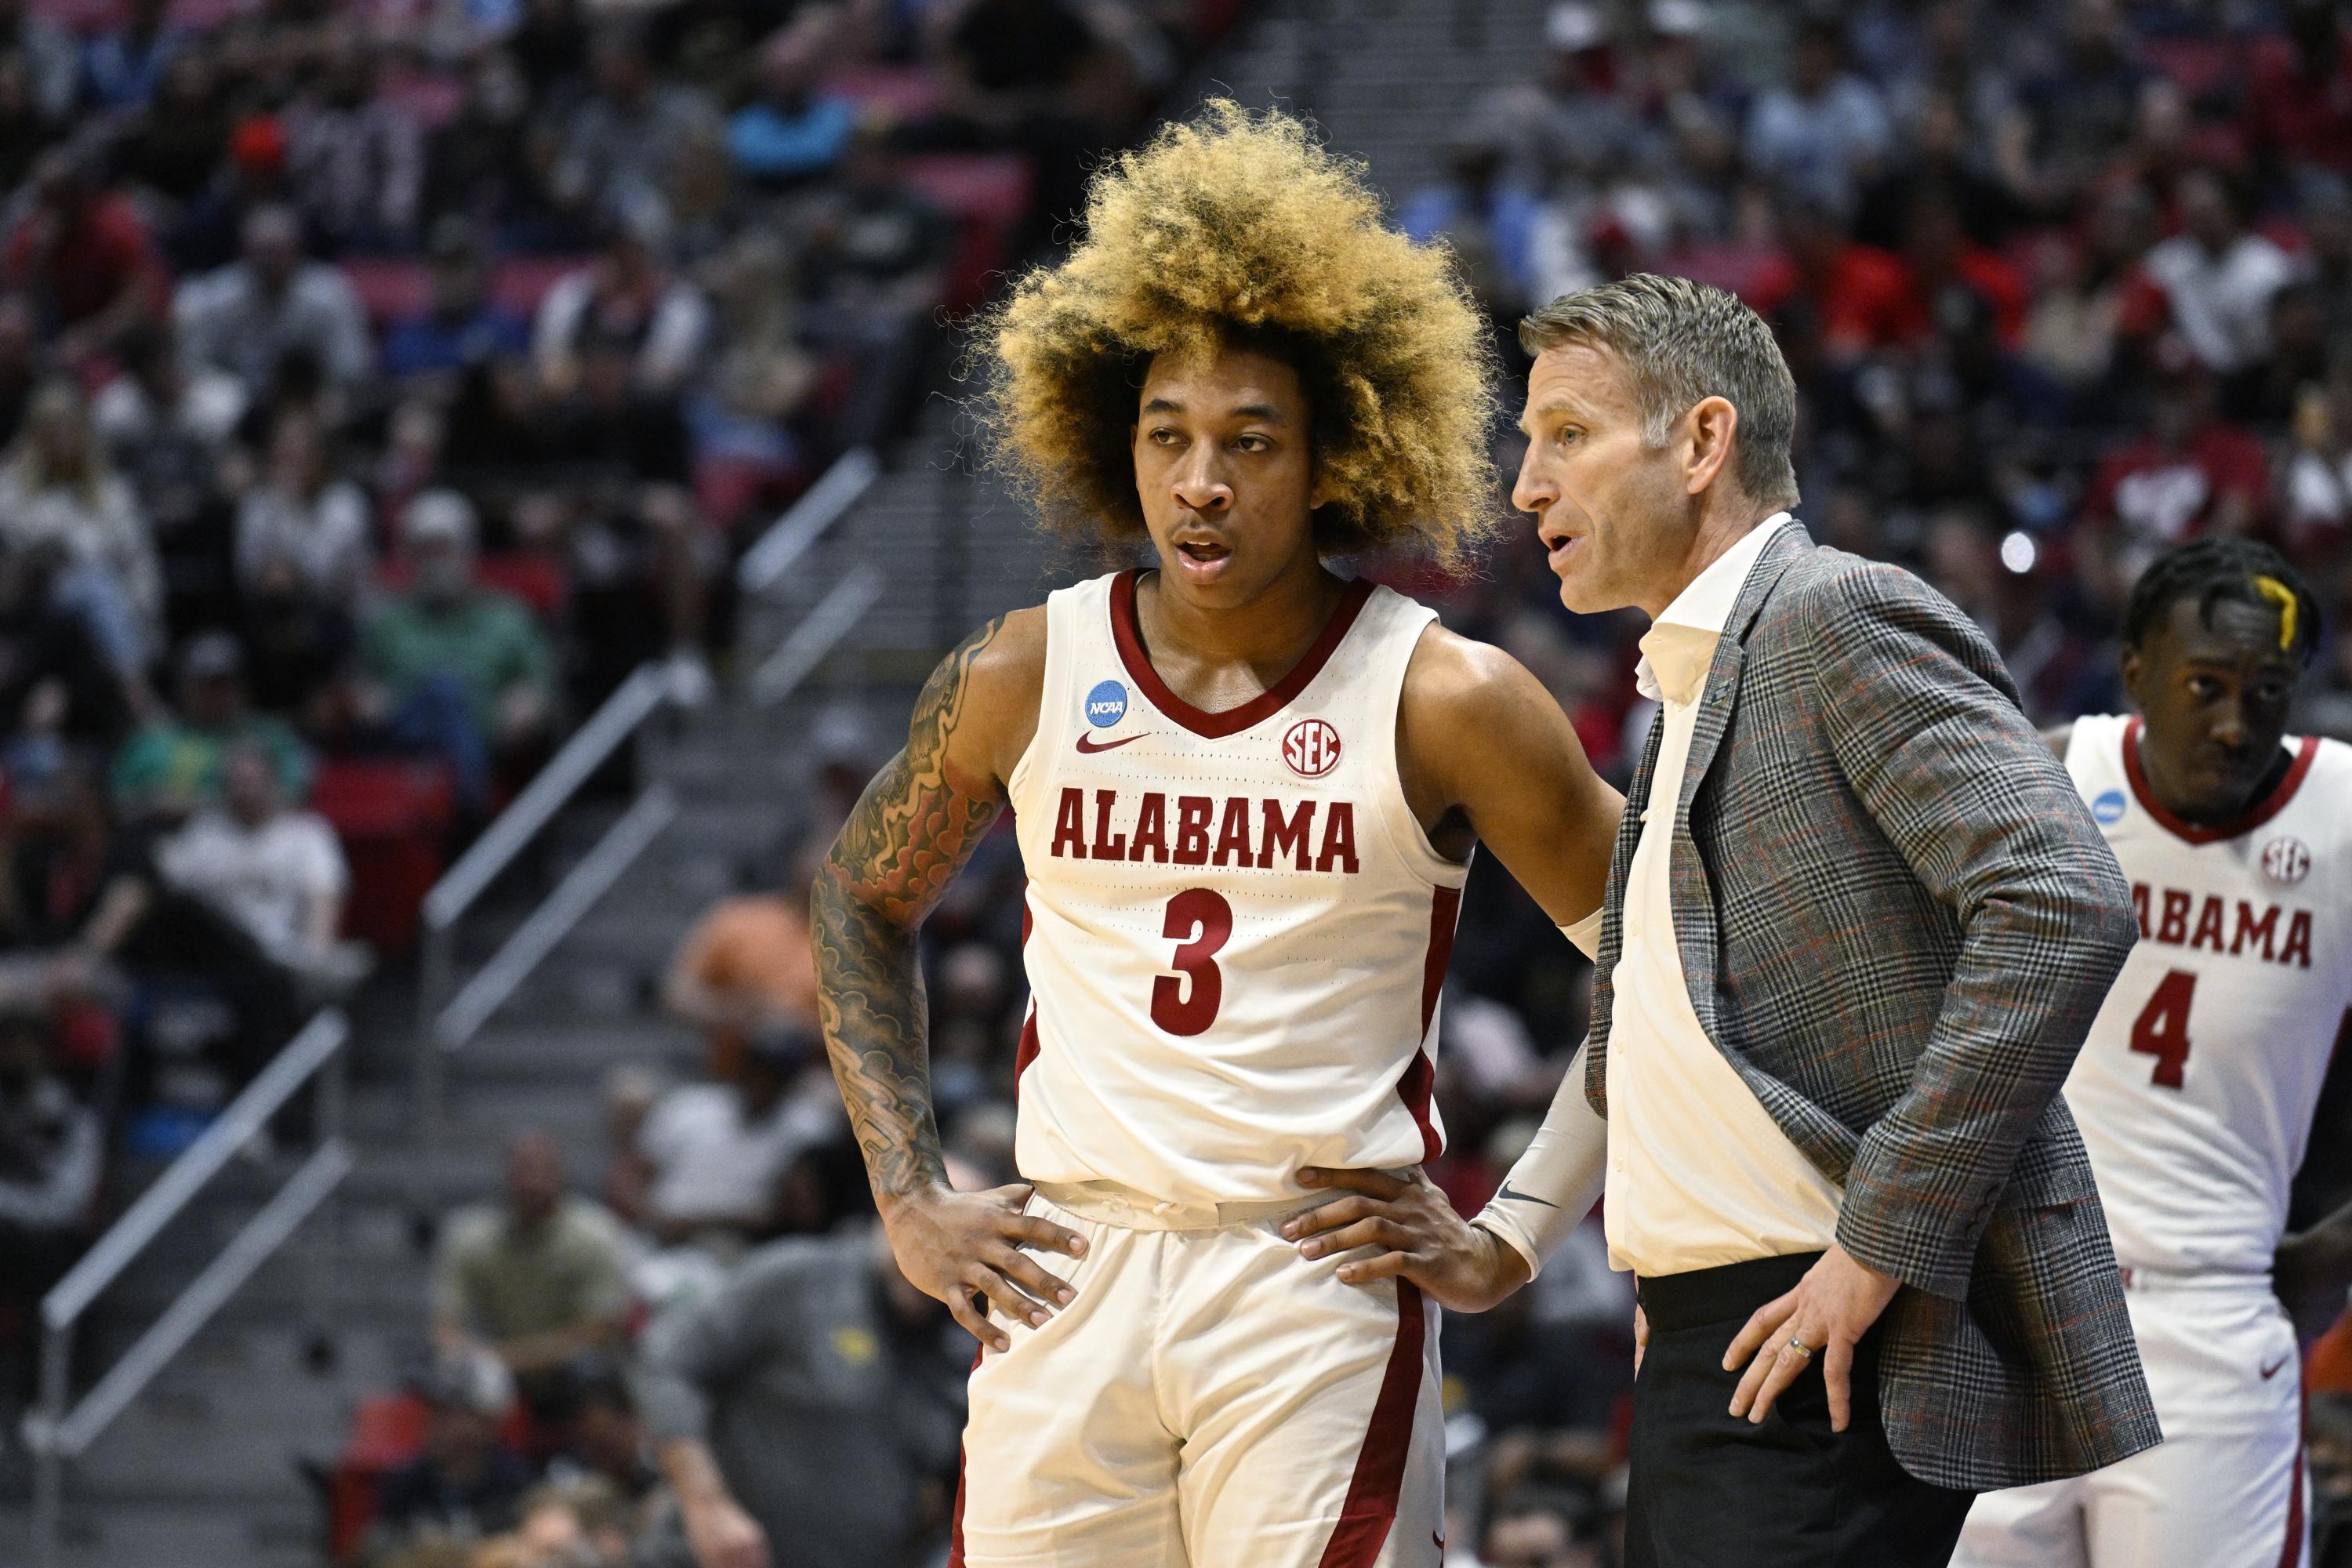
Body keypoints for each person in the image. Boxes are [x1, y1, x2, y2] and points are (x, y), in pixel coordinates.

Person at [810, 104, 1622, 1566]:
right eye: (1168, 437)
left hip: (1310, 1282)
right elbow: (860, 902)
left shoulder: (1448, 697)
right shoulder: (1023, 670)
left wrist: (1515, 1230)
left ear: (1334, 458)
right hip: (1066, 1271)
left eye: (1251, 443)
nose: (1202, 482)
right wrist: (910, 1199)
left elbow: (1672, 957)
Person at [1294, 274, 2158, 1566]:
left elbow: (2062, 905)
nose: (1526, 487)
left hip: (1814, 1317)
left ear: (1702, 442)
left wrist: (1877, 1244)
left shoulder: (1830, 618)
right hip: (1714, 1327)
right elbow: (1655, 1024)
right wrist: (1519, 1243)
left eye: (1569, 435)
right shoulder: (1693, 682)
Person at [1953, 536, 2352, 1567]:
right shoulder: (2048, 776)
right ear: (2135, 670)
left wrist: (2342, 1245)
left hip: (2207, 1318)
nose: (2236, 724)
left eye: (2269, 692)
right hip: (2006, 1310)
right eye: (2205, 686)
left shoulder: (2342, 819)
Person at [636, 1221, 973, 1568]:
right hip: (715, 1556)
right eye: (932, 1225)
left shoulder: (971, 1345)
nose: (940, 1252)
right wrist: (706, 1504)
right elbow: (671, 1366)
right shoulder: (800, 1279)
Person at [430, 1130, 635, 1413]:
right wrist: (469, 1359)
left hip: (575, 1375)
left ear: (562, 1175)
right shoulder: (470, 1238)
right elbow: (445, 1326)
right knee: (446, 1382)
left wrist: (496, 1358)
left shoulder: (595, 1235)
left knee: (592, 1373)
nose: (532, 1182)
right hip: (501, 1374)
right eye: (523, 1170)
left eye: (542, 1170)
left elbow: (595, 1332)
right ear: (506, 1175)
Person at [154, 744, 361, 993]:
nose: (243, 790)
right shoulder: (203, 832)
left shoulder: (307, 833)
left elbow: (324, 896)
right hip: (211, 953)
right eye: (236, 782)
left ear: (272, 781)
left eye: (250, 781)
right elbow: (173, 894)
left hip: (276, 952)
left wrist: (315, 956)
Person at [662, 836, 822, 1080]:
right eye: (817, 857)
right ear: (796, 862)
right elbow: (678, 994)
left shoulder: (860, 940)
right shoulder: (739, 919)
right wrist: (737, 1013)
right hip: (733, 1075)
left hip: (816, 1078)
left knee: (814, 1103)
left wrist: (800, 1029)